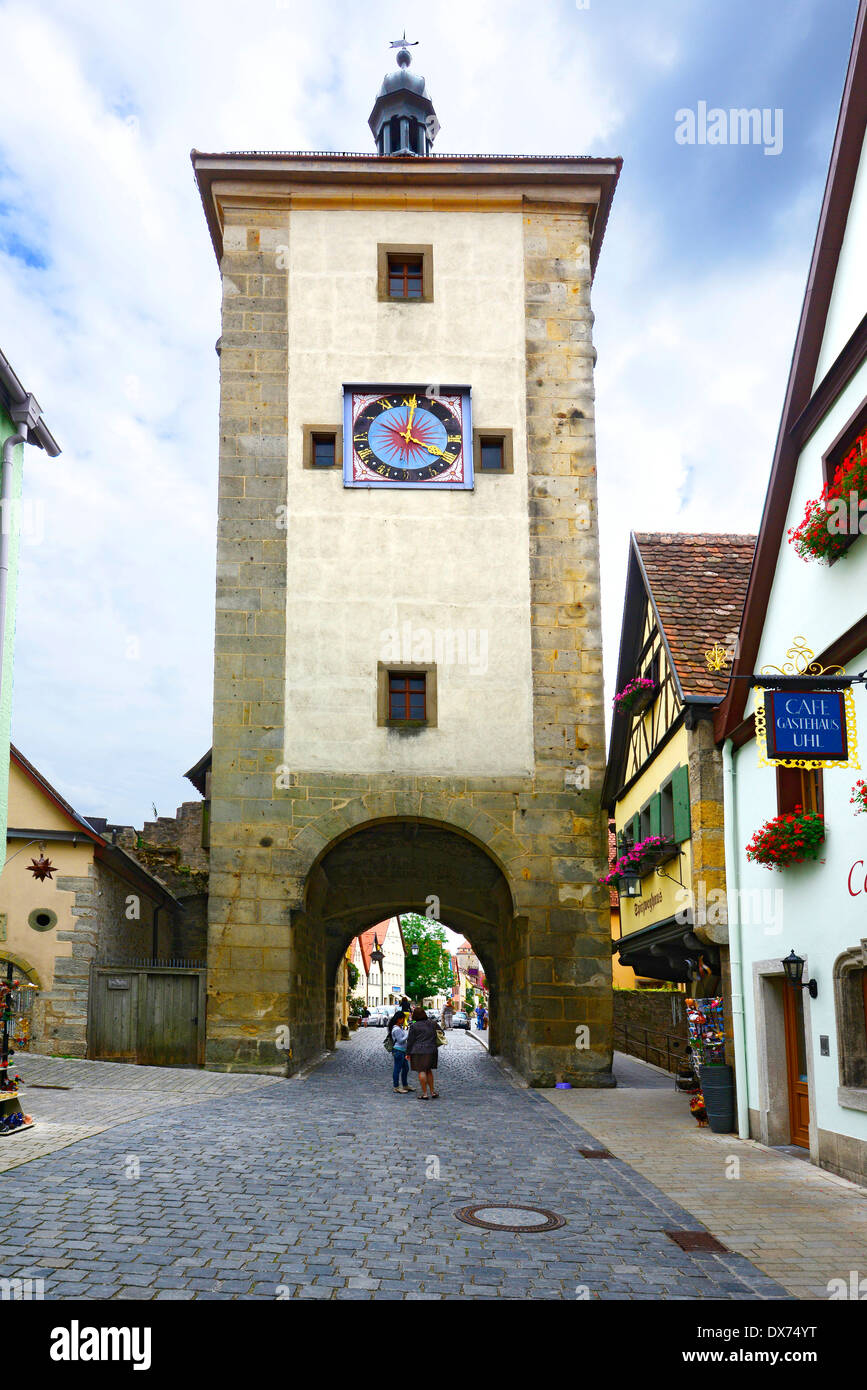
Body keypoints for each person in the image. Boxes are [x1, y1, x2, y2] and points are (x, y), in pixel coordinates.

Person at [405, 1004, 440, 1099]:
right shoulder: (433, 1023)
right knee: (429, 1070)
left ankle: (425, 1093)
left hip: (418, 1051)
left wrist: (408, 1053)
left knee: (421, 1071)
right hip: (432, 1050)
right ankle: (432, 1092)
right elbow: (441, 1033)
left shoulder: (414, 1026)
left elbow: (410, 1041)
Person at [389, 1012, 413, 1094]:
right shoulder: (396, 1029)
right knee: (397, 1069)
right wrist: (408, 1035)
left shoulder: (398, 1028)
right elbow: (400, 1040)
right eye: (403, 1018)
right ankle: (396, 1087)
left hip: (402, 1051)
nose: (404, 1020)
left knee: (406, 1068)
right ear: (399, 1019)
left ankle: (405, 1085)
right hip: (398, 1050)